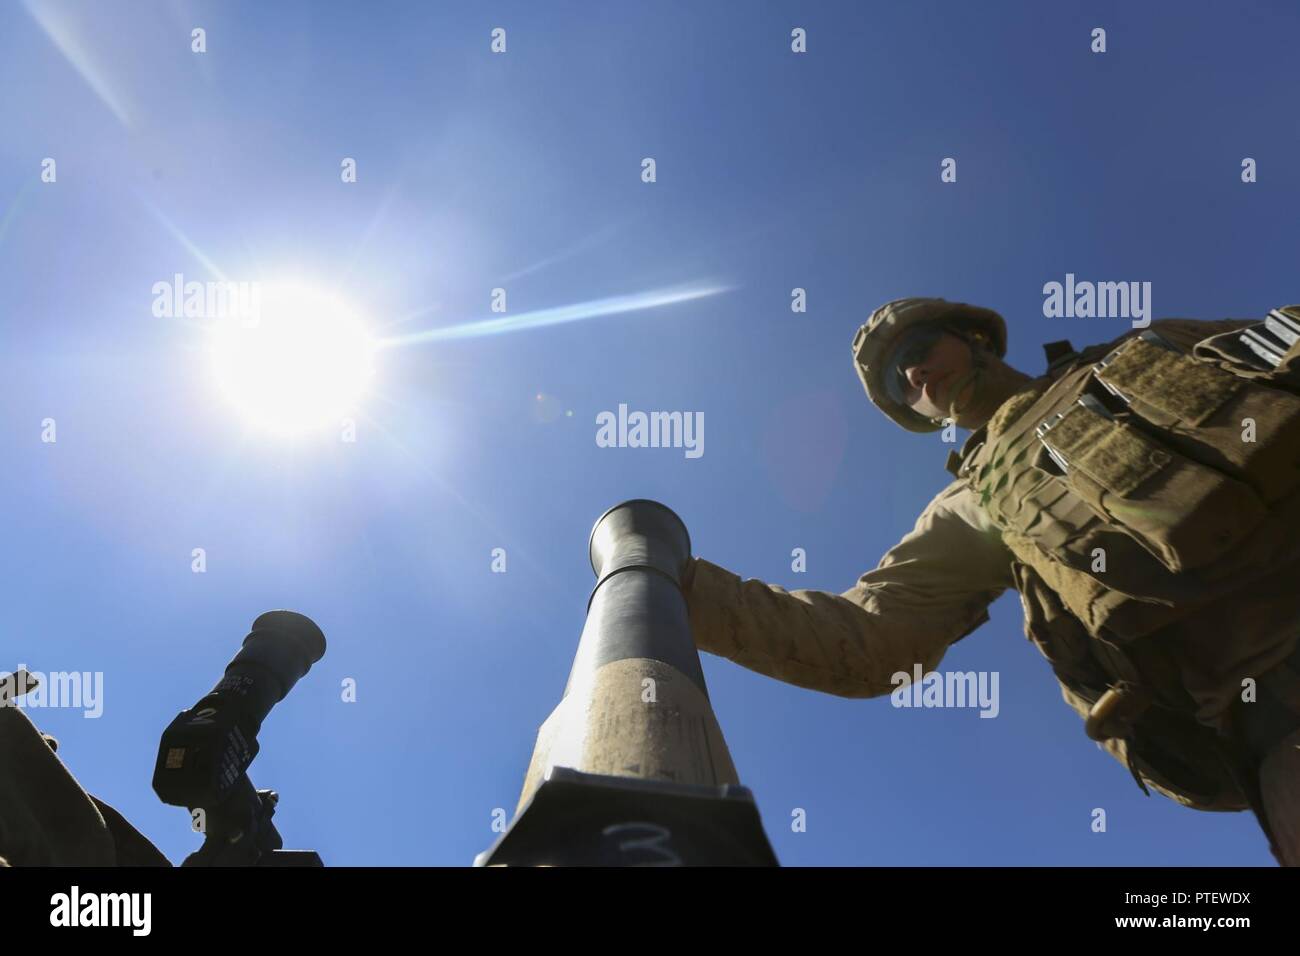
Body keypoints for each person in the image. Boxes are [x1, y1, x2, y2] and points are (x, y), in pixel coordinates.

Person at [682, 296, 1300, 864]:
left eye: (918, 352)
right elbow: (869, 640)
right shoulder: (972, 508)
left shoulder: (1154, 349)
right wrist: (678, 588)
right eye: (902, 382)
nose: (916, 377)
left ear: (974, 338)